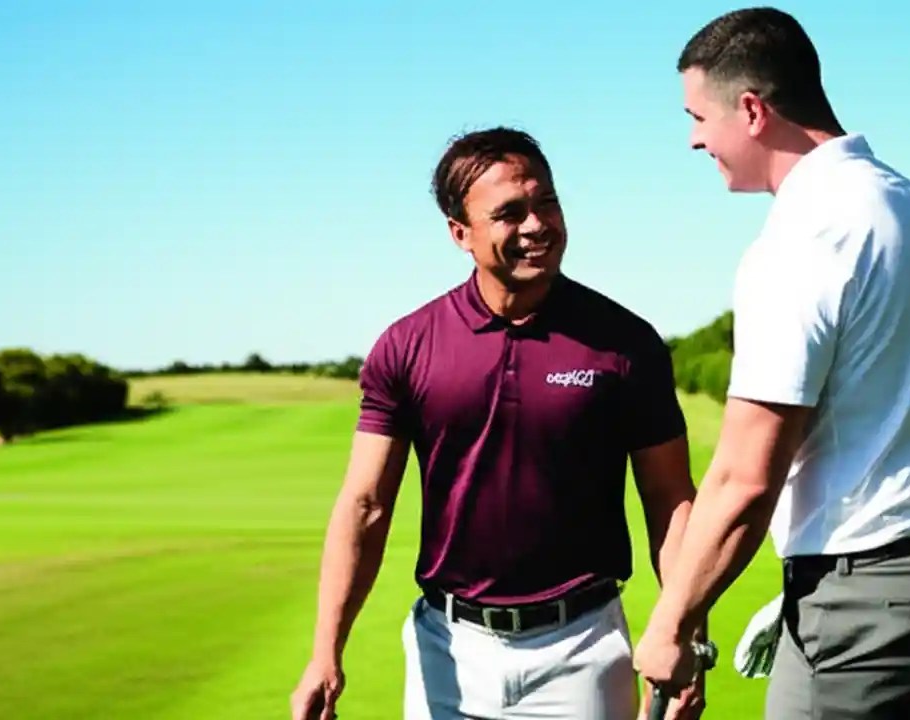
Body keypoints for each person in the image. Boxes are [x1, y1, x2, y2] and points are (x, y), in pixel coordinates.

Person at [632, 7, 910, 719]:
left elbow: (746, 475)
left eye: (698, 117)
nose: (694, 139)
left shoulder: (802, 236)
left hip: (874, 609)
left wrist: (672, 623)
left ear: (751, 110)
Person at [290, 127, 708, 720]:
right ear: (460, 233)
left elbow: (670, 500)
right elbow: (364, 505)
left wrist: (687, 632)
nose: (537, 225)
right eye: (510, 213)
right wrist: (324, 652)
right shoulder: (407, 346)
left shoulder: (626, 343)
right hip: (449, 649)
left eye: (548, 203)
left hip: (583, 648)